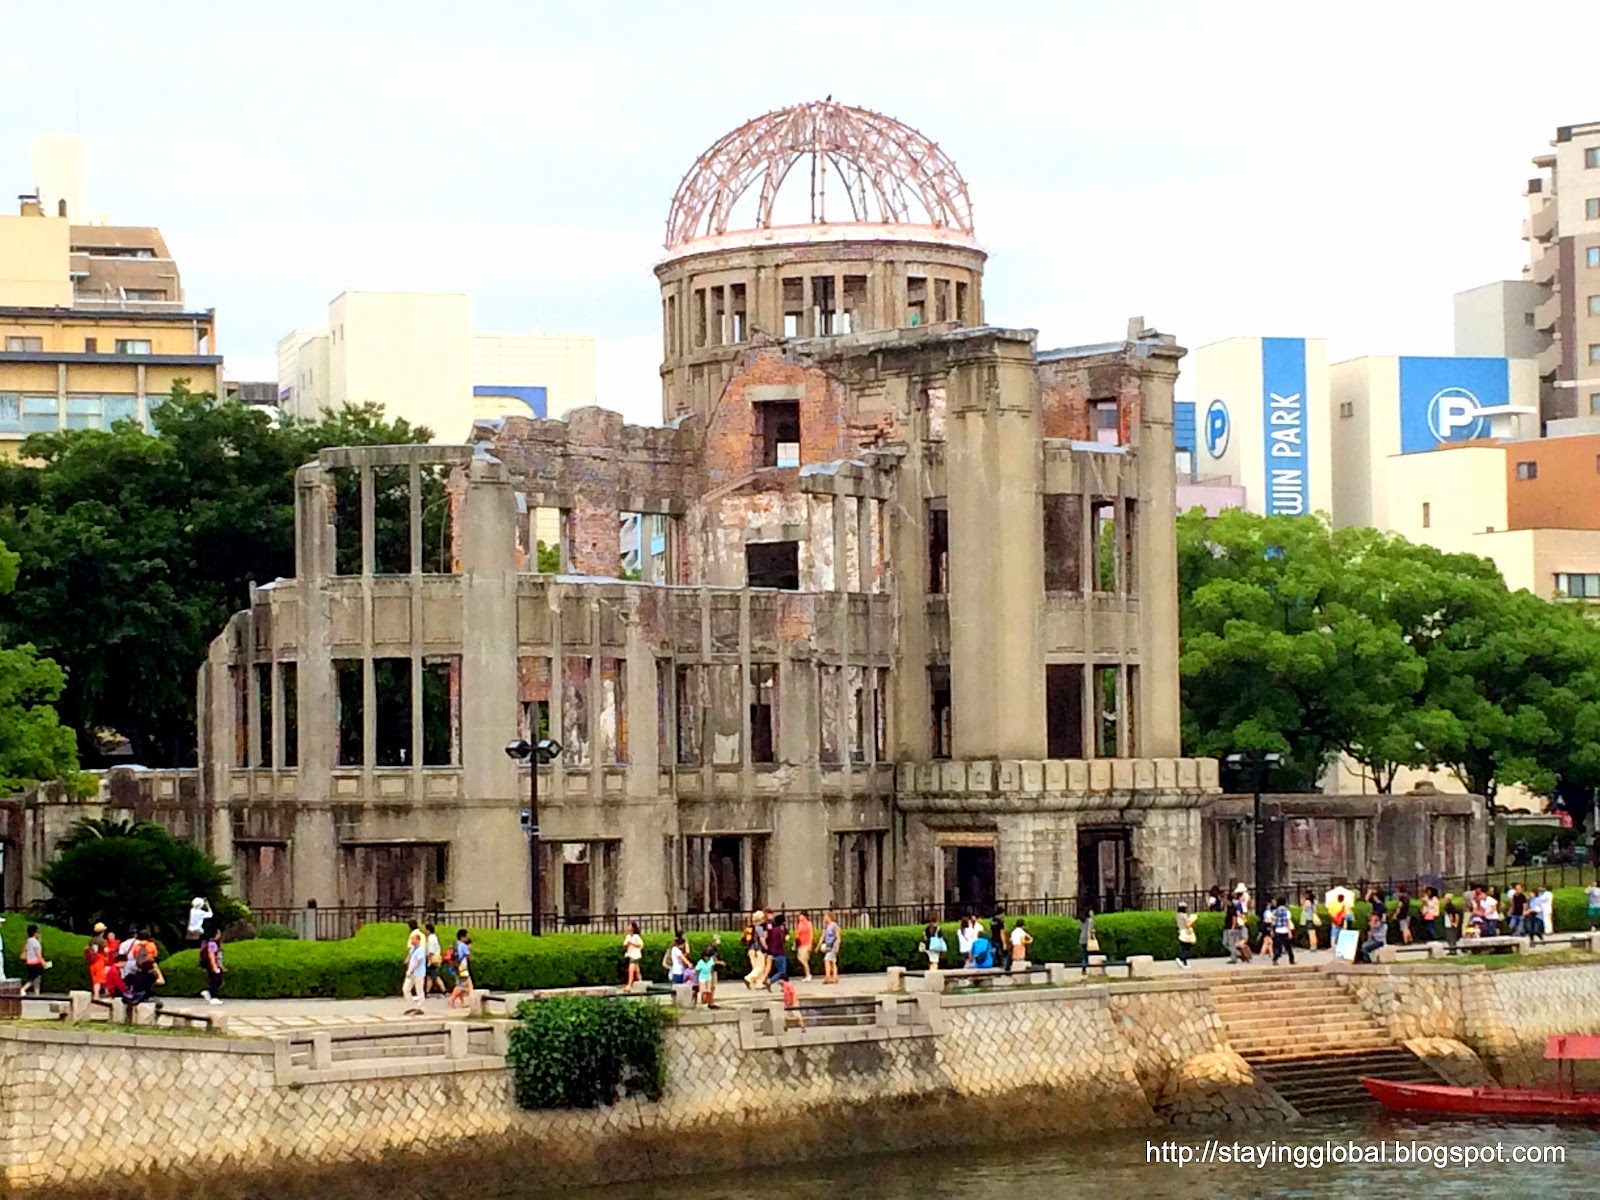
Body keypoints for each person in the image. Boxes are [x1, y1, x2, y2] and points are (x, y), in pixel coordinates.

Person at [402, 929, 427, 1015]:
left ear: (418, 940)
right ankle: (411, 1005)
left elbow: (419, 961)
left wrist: (411, 970)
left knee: (419, 990)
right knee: (406, 989)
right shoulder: (413, 948)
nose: (411, 940)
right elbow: (410, 957)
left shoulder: (421, 949)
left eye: (413, 939)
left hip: (418, 973)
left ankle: (420, 1007)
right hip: (411, 972)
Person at [743, 909, 769, 989]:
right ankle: (748, 978)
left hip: (750, 949)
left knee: (755, 968)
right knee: (760, 967)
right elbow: (762, 939)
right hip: (758, 950)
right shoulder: (760, 928)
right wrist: (766, 947)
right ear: (760, 919)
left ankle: (759, 984)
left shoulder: (750, 927)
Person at [199, 928, 225, 1006]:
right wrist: (214, 966)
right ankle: (212, 996)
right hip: (212, 965)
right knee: (216, 981)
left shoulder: (206, 942)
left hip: (209, 965)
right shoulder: (213, 944)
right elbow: (211, 955)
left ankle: (209, 994)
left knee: (214, 980)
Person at [448, 930, 474, 1008]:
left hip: (455, 966)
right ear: (462, 937)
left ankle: (463, 1002)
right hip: (462, 966)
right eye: (466, 936)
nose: (467, 938)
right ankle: (452, 999)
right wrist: (469, 949)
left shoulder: (455, 944)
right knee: (461, 985)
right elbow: (469, 957)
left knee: (465, 983)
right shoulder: (463, 945)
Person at [21, 925, 48, 996]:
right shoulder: (35, 943)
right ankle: (23, 989)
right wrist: (43, 962)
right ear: (35, 933)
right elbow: (38, 954)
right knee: (34, 978)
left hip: (29, 962)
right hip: (36, 963)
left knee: (35, 978)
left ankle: (37, 993)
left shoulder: (28, 941)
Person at [1270, 897, 1295, 966]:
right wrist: (1289, 931)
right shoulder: (1287, 911)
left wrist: (1272, 930)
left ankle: (1275, 959)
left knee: (1278, 946)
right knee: (1288, 947)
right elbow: (1287, 921)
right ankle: (1291, 959)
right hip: (1285, 930)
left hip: (1278, 930)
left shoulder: (1275, 911)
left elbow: (1272, 922)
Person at [764, 916, 788, 987]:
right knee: (782, 971)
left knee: (780, 969)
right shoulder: (780, 930)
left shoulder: (773, 930)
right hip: (780, 951)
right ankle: (770, 981)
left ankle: (783, 986)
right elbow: (782, 940)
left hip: (774, 952)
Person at [85, 924, 108, 1000]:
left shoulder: (91, 940)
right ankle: (96, 995)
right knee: (99, 978)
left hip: (92, 961)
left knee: (94, 978)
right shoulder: (102, 941)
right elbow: (105, 951)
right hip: (99, 960)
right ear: (102, 931)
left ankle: (97, 993)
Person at [423, 923, 446, 995]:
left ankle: (444, 990)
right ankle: (427, 991)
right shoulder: (434, 937)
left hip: (432, 960)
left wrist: (429, 961)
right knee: (430, 976)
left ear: (428, 930)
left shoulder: (431, 939)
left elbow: (431, 951)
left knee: (435, 977)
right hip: (435, 958)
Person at [621, 922, 644, 988]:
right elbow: (625, 945)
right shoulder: (628, 936)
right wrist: (627, 945)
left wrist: (632, 944)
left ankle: (629, 984)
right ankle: (640, 982)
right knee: (637, 970)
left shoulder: (636, 936)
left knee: (631, 969)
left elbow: (640, 945)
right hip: (630, 954)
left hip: (635, 955)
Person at [695, 943, 719, 1007]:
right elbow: (697, 970)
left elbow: (712, 966)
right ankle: (701, 1002)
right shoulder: (700, 962)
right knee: (702, 990)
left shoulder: (710, 961)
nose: (707, 958)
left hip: (708, 977)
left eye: (708, 957)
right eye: (706, 957)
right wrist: (697, 978)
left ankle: (708, 1002)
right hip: (702, 978)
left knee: (708, 990)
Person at [795, 910, 815, 981]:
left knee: (803, 959)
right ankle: (806, 974)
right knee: (800, 958)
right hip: (801, 943)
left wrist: (810, 944)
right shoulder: (800, 924)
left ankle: (808, 974)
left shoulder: (809, 924)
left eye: (801, 916)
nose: (799, 917)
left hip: (806, 943)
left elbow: (811, 934)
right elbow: (798, 933)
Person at [821, 911, 840, 984]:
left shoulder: (834, 925)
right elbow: (823, 936)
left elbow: (838, 937)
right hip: (828, 946)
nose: (824, 918)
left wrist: (837, 946)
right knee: (832, 962)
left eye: (825, 916)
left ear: (829, 917)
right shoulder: (826, 926)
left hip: (833, 945)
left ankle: (828, 976)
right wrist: (819, 945)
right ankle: (835, 977)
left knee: (826, 960)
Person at [1175, 904, 1196, 969]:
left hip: (1180, 931)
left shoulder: (1177, 915)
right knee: (1187, 947)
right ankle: (1182, 959)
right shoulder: (1184, 915)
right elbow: (1188, 924)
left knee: (1183, 947)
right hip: (1186, 932)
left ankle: (1184, 962)